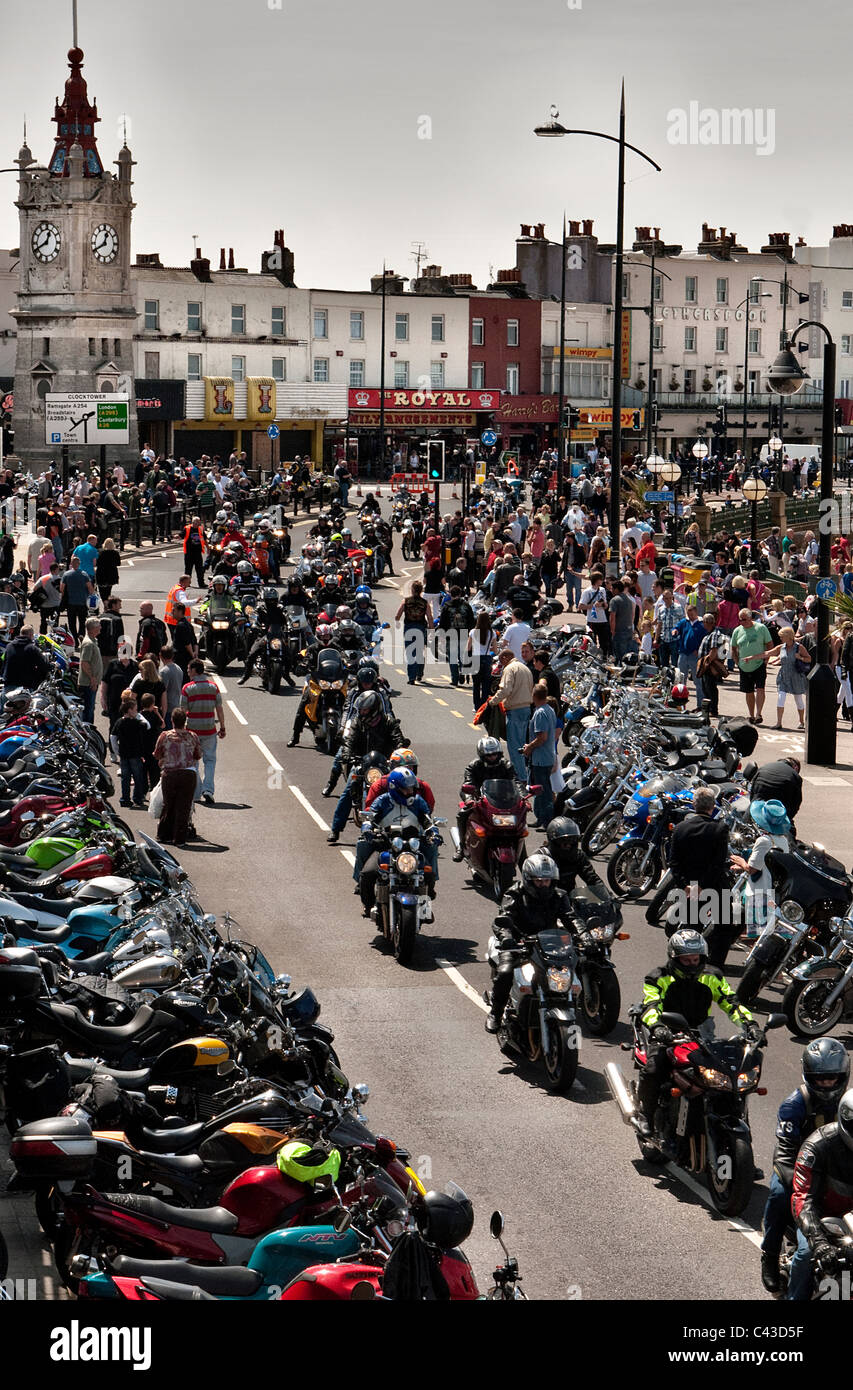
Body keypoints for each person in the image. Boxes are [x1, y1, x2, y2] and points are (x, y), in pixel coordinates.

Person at [635, 929, 755, 1139]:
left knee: (731, 1080)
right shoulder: (658, 977)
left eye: (695, 959)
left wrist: (750, 1025)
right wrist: (657, 1027)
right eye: (686, 960)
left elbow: (731, 1002)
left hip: (702, 1036)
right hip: (668, 1034)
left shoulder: (712, 976)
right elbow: (650, 1005)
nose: (692, 964)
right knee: (654, 1068)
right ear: (674, 958)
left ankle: (740, 1138)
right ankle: (645, 1113)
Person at [760, 1038, 849, 1294]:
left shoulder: (849, 1103)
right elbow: (786, 1152)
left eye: (833, 1078)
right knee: (779, 1195)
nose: (827, 1084)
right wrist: (801, 1183)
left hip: (839, 1167)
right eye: (821, 1078)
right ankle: (770, 1254)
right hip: (798, 1165)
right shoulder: (794, 1104)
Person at [485, 853, 575, 1033]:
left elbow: (571, 917)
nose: (543, 885)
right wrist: (507, 938)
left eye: (547, 881)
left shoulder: (559, 895)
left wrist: (584, 935)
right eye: (539, 881)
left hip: (549, 944)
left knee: (572, 967)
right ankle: (495, 1012)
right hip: (519, 943)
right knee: (505, 972)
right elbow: (503, 919)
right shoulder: (514, 893)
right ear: (528, 879)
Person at [644, 786, 732, 955]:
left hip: (689, 885)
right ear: (712, 807)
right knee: (724, 926)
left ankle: (685, 956)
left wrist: (686, 886)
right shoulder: (720, 829)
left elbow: (674, 863)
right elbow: (718, 864)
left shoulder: (680, 828)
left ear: (694, 805)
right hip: (715, 885)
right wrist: (702, 885)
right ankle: (715, 961)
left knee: (692, 927)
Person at [790, 1088, 853, 1301]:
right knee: (805, 1255)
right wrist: (819, 1242)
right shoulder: (817, 1146)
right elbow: (803, 1199)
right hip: (820, 1217)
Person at [327, 690, 407, 844]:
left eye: (365, 709)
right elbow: (349, 739)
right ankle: (336, 829)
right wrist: (347, 753)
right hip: (362, 764)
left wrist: (400, 749)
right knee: (347, 793)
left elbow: (398, 739)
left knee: (402, 788)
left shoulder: (388, 722)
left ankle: (407, 826)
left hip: (384, 765)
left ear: (374, 709)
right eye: (361, 710)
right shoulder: (358, 722)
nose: (362, 712)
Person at [355, 768, 438, 915]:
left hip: (412, 846)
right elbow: (370, 817)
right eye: (406, 789)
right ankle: (368, 905)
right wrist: (367, 829)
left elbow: (428, 821)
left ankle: (425, 905)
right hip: (385, 845)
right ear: (394, 787)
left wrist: (434, 833)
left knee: (429, 873)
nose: (409, 792)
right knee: (367, 873)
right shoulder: (382, 801)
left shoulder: (418, 802)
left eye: (412, 788)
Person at [453, 736, 516, 862]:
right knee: (462, 815)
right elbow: (468, 783)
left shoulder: (507, 765)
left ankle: (522, 856)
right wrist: (470, 799)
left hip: (503, 802)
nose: (492, 757)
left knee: (519, 825)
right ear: (482, 755)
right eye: (489, 755)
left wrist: (523, 798)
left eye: (495, 754)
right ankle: (461, 846)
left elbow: (516, 782)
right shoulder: (474, 766)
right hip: (479, 800)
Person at [180, 658, 226, 806]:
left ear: (194, 670)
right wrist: (222, 727)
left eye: (188, 669)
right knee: (210, 760)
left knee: (193, 761)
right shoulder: (213, 687)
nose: (187, 671)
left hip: (192, 731)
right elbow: (219, 708)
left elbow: (182, 711)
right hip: (209, 730)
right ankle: (208, 790)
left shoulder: (187, 688)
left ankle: (196, 791)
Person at [489, 647, 534, 782]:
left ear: (504, 658)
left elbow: (505, 689)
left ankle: (520, 777)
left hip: (514, 710)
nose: (500, 665)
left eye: (501, 662)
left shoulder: (510, 669)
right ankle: (524, 774)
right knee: (521, 745)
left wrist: (493, 701)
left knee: (515, 747)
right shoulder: (525, 668)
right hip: (526, 708)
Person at [545, 817, 611, 900]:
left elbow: (592, 879)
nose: (569, 845)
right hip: (546, 903)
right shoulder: (542, 858)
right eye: (564, 842)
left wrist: (608, 897)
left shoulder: (578, 856)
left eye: (572, 841)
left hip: (569, 902)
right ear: (553, 841)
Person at [522, 681, 557, 827]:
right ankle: (541, 818)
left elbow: (542, 737)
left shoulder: (541, 713)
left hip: (541, 759)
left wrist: (529, 747)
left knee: (544, 792)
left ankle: (547, 821)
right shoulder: (549, 709)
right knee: (539, 789)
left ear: (534, 696)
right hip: (546, 756)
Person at [731, 607, 773, 725]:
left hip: (759, 664)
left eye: (744, 619)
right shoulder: (737, 630)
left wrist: (766, 659)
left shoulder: (761, 628)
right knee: (748, 691)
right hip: (744, 666)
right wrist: (737, 662)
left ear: (750, 618)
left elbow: (770, 644)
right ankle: (751, 715)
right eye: (740, 620)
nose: (742, 622)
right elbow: (733, 648)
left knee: (760, 688)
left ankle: (759, 713)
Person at [766, 626, 812, 730]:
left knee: (798, 699)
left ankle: (801, 722)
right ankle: (778, 723)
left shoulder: (799, 647)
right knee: (780, 698)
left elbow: (809, 659)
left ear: (788, 637)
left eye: (782, 636)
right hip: (783, 675)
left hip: (796, 676)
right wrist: (751, 657)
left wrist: (800, 657)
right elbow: (767, 653)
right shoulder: (781, 647)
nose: (780, 638)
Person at [112, 690, 149, 808]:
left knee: (125, 778)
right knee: (138, 778)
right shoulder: (137, 723)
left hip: (124, 755)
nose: (137, 711)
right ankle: (137, 798)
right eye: (135, 709)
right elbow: (147, 725)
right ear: (129, 710)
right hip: (135, 754)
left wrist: (117, 750)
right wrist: (139, 716)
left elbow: (113, 737)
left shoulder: (119, 722)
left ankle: (125, 799)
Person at [750, 756, 803, 831]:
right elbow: (795, 804)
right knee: (788, 836)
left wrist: (753, 807)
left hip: (756, 805)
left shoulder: (764, 767)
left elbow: (752, 791)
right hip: (777, 809)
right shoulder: (795, 776)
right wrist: (787, 819)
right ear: (795, 767)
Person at [437, 587, 475, 686]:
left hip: (451, 634)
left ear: (451, 594)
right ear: (460, 593)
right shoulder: (466, 606)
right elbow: (471, 620)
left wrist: (442, 636)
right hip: (464, 634)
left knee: (452, 658)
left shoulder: (447, 606)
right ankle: (462, 672)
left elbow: (443, 622)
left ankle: (454, 679)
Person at [396, 580, 431, 685]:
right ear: (421, 591)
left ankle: (411, 677)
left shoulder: (405, 601)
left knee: (410, 653)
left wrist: (397, 622)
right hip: (420, 628)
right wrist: (432, 630)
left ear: (412, 590)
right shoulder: (425, 603)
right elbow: (429, 617)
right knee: (419, 652)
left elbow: (397, 615)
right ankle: (419, 673)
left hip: (409, 628)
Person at [100, 643, 138, 732]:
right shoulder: (112, 664)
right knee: (114, 726)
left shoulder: (135, 666)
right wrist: (103, 698)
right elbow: (105, 681)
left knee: (129, 728)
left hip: (129, 704)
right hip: (114, 702)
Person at [3, 625, 49, 693]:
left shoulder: (9, 646)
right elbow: (44, 666)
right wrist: (51, 666)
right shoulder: (31, 648)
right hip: (25, 689)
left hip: (8, 688)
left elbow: (4, 664)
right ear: (31, 635)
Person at [59, 555, 93, 645]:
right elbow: (90, 588)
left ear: (71, 564)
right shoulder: (84, 574)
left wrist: (62, 598)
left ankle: (74, 639)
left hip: (71, 603)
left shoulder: (66, 574)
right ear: (79, 564)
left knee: (72, 623)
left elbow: (61, 588)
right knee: (82, 621)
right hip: (82, 602)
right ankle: (81, 634)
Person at [468, 610, 496, 711]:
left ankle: (476, 706)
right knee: (485, 684)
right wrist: (488, 648)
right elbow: (495, 650)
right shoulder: (492, 633)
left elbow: (468, 648)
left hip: (476, 658)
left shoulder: (473, 632)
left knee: (476, 685)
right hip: (487, 658)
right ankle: (483, 706)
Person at [76, 617, 103, 725]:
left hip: (91, 682)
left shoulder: (93, 641)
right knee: (88, 710)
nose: (100, 627)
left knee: (90, 708)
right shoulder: (88, 644)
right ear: (92, 629)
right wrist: (92, 678)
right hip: (88, 683)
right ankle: (88, 732)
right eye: (98, 626)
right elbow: (84, 663)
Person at [579, 570, 610, 654]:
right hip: (592, 620)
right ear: (596, 580)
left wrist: (604, 605)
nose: (602, 581)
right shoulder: (587, 591)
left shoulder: (602, 590)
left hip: (602, 619)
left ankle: (603, 657)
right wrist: (593, 606)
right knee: (592, 642)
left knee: (604, 642)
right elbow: (580, 606)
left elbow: (606, 604)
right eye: (601, 579)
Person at [139, 691, 164, 789]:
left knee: (143, 769)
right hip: (153, 745)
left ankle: (143, 788)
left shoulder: (139, 715)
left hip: (143, 745)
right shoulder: (154, 715)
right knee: (154, 769)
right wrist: (157, 712)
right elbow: (163, 725)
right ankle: (153, 787)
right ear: (152, 704)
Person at [609, 579, 638, 663]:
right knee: (626, 657)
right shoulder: (629, 600)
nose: (611, 590)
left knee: (618, 657)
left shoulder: (614, 600)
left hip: (619, 633)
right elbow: (632, 615)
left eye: (612, 588)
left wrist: (612, 631)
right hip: (628, 631)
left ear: (616, 589)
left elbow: (612, 618)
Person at [129, 657, 167, 722]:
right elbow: (164, 704)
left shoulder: (138, 683)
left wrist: (132, 715)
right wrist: (162, 717)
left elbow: (131, 700)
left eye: (140, 670)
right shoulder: (160, 684)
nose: (139, 671)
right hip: (156, 715)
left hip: (140, 716)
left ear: (145, 671)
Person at [170, 603, 199, 680]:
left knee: (181, 680)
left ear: (180, 611)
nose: (172, 612)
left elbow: (187, 643)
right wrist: (195, 653)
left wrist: (192, 654)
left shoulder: (181, 626)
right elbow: (195, 641)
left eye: (174, 610)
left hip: (181, 659)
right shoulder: (188, 625)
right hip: (188, 658)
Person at [183, 517, 207, 588]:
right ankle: (186, 583)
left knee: (199, 569)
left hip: (198, 552)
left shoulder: (201, 529)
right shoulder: (187, 528)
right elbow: (182, 535)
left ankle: (201, 583)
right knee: (188, 569)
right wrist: (177, 536)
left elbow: (204, 539)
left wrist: (208, 548)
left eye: (198, 522)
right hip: (189, 552)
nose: (197, 524)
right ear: (192, 522)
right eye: (196, 522)